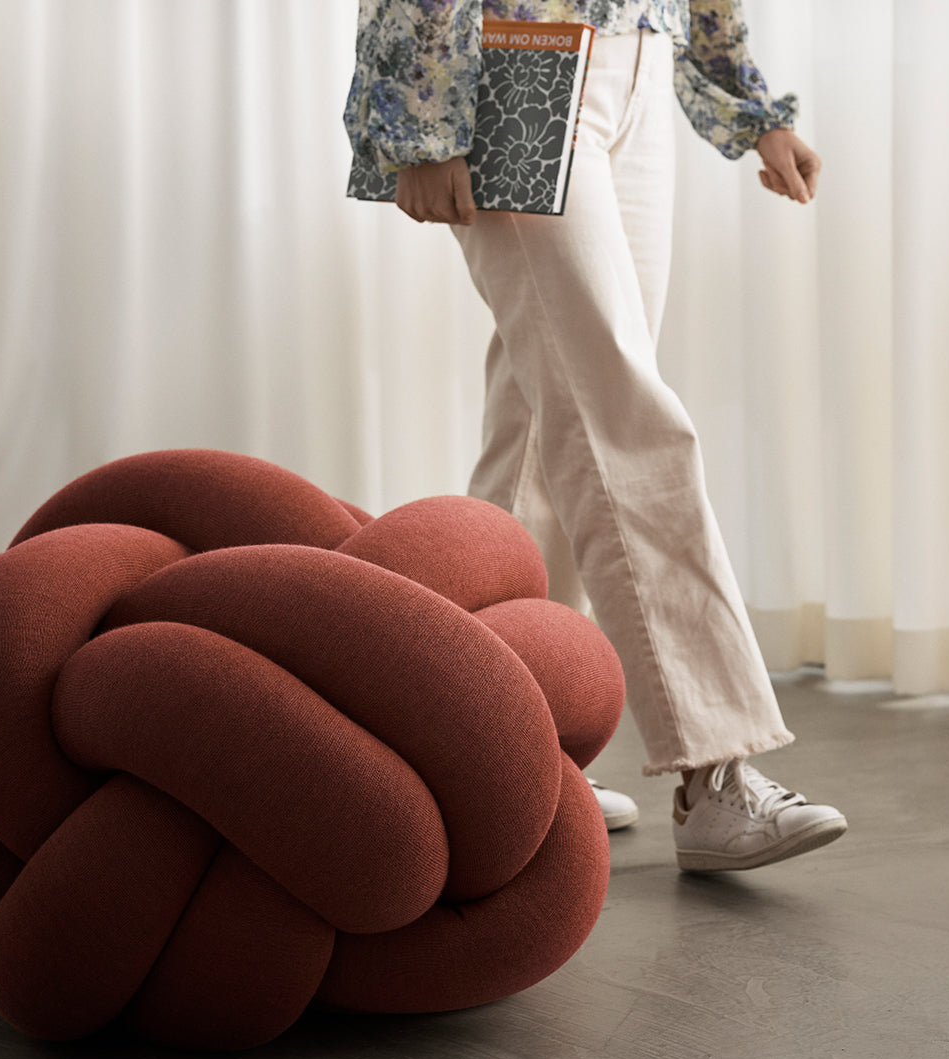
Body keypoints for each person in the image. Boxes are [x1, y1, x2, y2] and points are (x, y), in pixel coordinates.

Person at [345, 0, 847, 871]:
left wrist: (751, 106)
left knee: (546, 423)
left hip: (639, 61)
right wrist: (423, 126)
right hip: (516, 67)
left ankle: (491, 755)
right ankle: (714, 768)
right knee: (621, 416)